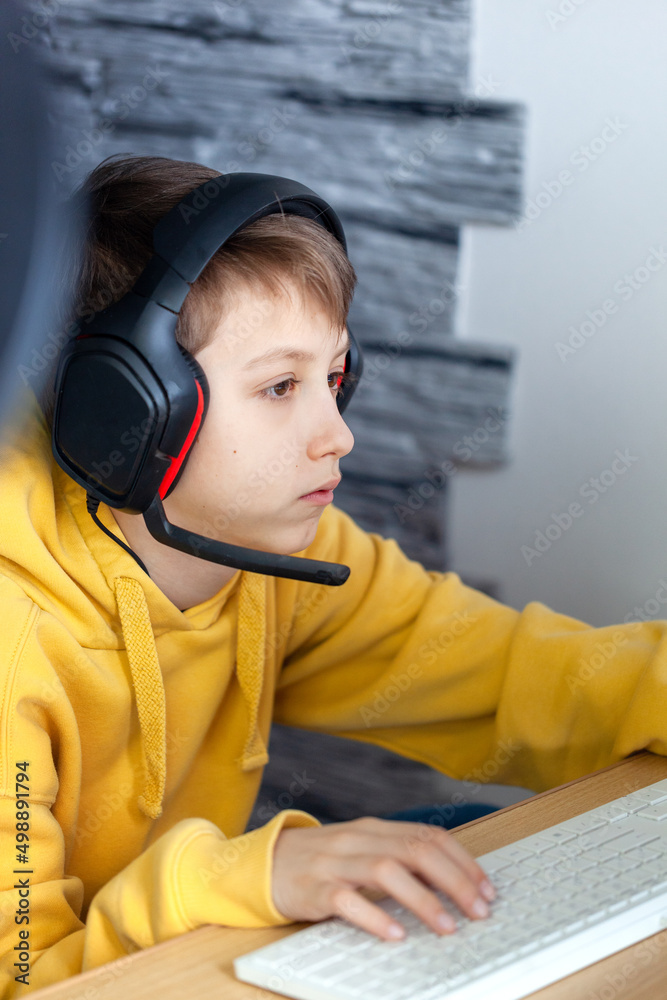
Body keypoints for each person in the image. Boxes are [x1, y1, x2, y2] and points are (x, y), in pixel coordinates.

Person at [1, 153, 666, 997]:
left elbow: (517, 675)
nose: (336, 434)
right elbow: (23, 974)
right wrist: (249, 877)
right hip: (85, 972)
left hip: (166, 937)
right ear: (125, 413)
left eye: (333, 376)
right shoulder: (12, 644)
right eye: (280, 386)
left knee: (462, 852)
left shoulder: (279, 554)